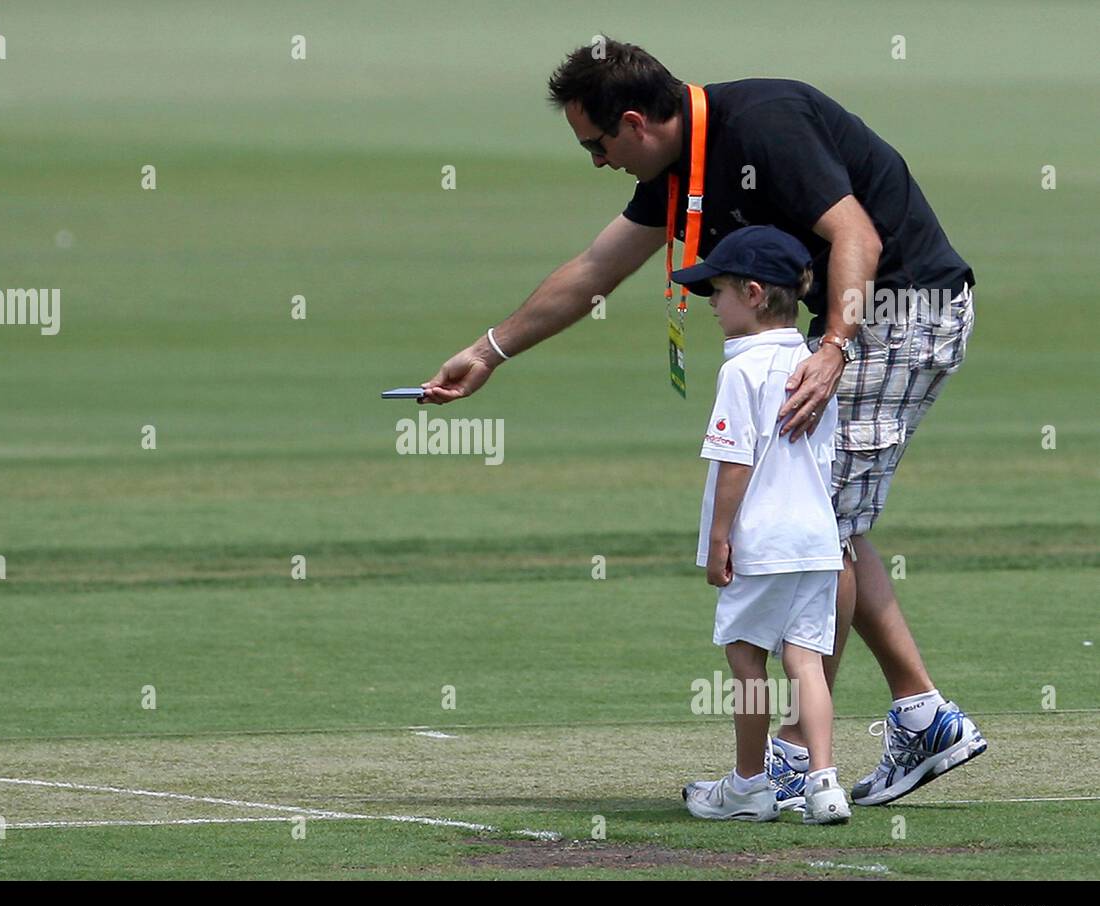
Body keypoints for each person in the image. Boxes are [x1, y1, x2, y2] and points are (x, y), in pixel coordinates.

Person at [420, 39, 986, 806]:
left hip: (897, 310)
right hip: (857, 323)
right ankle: (917, 716)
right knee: (833, 525)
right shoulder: (676, 165)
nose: (596, 162)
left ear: (632, 122)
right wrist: (488, 352)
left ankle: (798, 753)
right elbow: (595, 270)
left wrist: (832, 348)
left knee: (824, 526)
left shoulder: (763, 123)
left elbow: (859, 237)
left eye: (596, 145)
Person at [675, 227, 848, 824]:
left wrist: (720, 537)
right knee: (805, 657)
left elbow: (735, 462)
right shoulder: (815, 365)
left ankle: (750, 785)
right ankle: (824, 782)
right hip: (818, 539)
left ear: (752, 294)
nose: (711, 307)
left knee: (747, 661)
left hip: (763, 542)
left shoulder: (740, 372)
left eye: (716, 293)